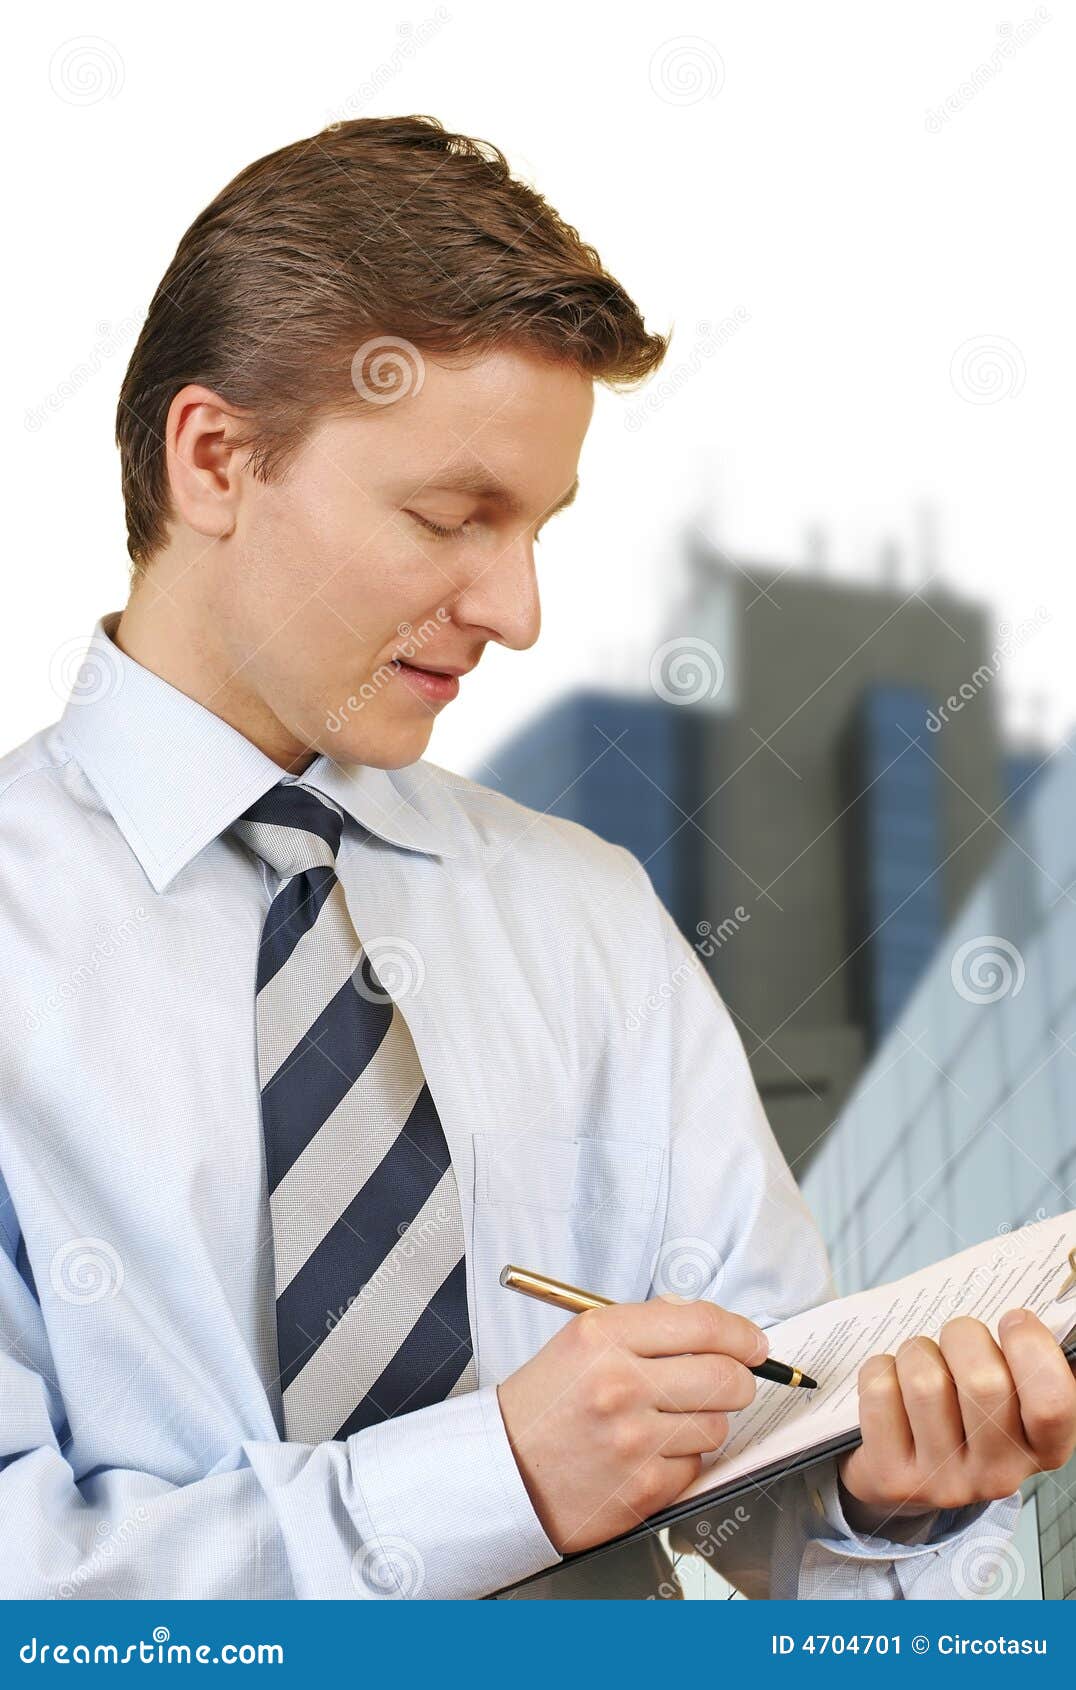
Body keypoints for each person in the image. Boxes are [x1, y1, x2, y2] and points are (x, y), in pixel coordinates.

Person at [1, 116, 1073, 1602]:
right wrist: (495, 1480)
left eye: (538, 531)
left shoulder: (584, 913)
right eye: (453, 518)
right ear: (215, 459)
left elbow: (760, 1464)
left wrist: (875, 1498)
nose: (517, 612)